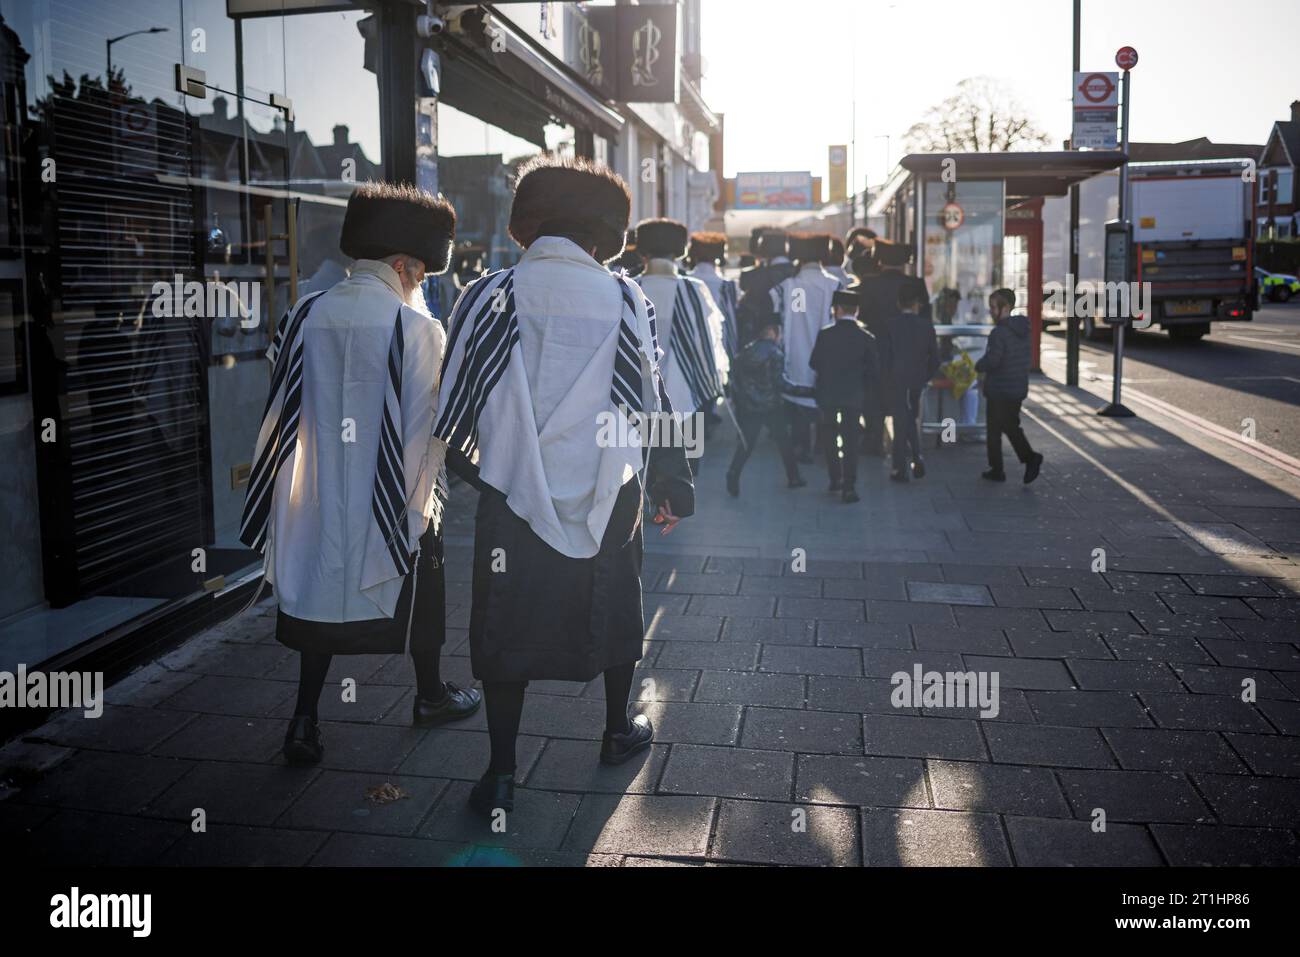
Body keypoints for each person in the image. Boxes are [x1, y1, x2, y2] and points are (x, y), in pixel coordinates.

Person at [431, 157, 695, 816]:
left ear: (529, 222)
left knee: (504, 619)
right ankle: (615, 731)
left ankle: (501, 769)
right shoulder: (625, 295)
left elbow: (454, 403)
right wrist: (671, 480)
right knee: (613, 606)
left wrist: (501, 471)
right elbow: (648, 397)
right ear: (605, 230)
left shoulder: (488, 292)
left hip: (512, 488)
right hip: (610, 486)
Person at [240, 182, 481, 767]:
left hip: (315, 490)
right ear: (401, 265)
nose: (420, 284)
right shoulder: (419, 328)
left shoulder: (304, 313)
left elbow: (283, 405)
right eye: (420, 273)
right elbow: (432, 428)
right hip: (396, 489)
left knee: (318, 589)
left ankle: (304, 721)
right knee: (424, 582)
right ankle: (429, 695)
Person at [635, 218, 728, 436]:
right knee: (681, 466)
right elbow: (707, 343)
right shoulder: (694, 290)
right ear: (680, 250)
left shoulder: (630, 287)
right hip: (685, 395)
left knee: (637, 466)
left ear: (642, 251)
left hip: (635, 396)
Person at [774, 232, 842, 463]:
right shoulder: (835, 285)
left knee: (798, 398)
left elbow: (787, 317)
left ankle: (801, 445)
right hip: (831, 354)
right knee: (826, 401)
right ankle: (824, 445)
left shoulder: (789, 286)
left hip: (797, 353)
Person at [808, 287, 879, 503]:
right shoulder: (866, 337)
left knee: (829, 435)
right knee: (850, 440)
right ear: (856, 311)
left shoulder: (825, 334)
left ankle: (834, 477)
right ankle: (850, 485)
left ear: (836, 310)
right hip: (853, 395)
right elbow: (874, 371)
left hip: (828, 394)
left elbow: (814, 363)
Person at [725, 318, 805, 496]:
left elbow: (735, 379)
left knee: (746, 444)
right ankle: (794, 477)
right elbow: (781, 384)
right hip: (771, 407)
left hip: (750, 407)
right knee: (784, 442)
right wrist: (807, 392)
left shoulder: (745, 351)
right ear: (774, 333)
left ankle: (733, 473)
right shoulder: (775, 353)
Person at [976, 288, 1044, 484]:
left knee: (1001, 428)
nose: (990, 311)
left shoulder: (999, 333)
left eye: (993, 307)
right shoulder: (1023, 329)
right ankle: (997, 468)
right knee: (1004, 427)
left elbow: (993, 360)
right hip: (1017, 388)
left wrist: (979, 365)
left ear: (1005, 308)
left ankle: (1029, 458)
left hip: (1000, 389)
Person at [883, 281, 940, 483]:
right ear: (916, 303)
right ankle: (917, 457)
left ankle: (900, 467)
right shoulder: (926, 326)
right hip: (917, 380)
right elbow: (935, 359)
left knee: (901, 422)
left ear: (899, 303)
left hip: (896, 379)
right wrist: (924, 377)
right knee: (909, 418)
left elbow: (885, 356)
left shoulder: (890, 325)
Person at [735, 227, 795, 346]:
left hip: (763, 340)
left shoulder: (756, 276)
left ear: (763, 250)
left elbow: (748, 309)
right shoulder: (797, 273)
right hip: (794, 336)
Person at [688, 231, 739, 364]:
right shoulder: (728, 286)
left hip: (689, 344)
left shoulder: (684, 282)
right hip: (719, 347)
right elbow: (732, 323)